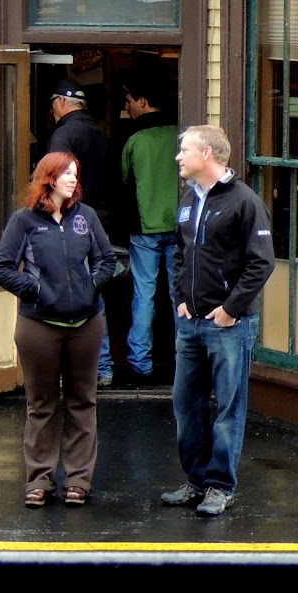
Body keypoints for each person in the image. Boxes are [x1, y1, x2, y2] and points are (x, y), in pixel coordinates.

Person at [0, 152, 116, 508]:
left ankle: (78, 481)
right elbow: (2, 267)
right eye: (66, 174)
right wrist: (36, 290)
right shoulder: (25, 221)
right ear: (48, 178)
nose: (73, 179)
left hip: (85, 325)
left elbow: (108, 261)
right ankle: (39, 480)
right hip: (38, 326)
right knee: (42, 404)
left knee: (82, 401)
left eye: (76, 174)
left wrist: (90, 288)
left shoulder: (86, 217)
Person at [162, 124, 274, 518]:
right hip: (190, 324)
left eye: (185, 150)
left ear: (207, 154)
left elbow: (263, 262)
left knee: (228, 408)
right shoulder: (189, 200)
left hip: (228, 326)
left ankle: (220, 487)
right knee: (185, 405)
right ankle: (196, 481)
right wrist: (179, 299)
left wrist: (231, 308)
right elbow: (180, 251)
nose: (179, 157)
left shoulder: (245, 202)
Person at [46, 79, 115, 385]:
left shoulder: (63, 134)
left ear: (61, 103)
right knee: (93, 290)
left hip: (72, 222)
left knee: (70, 293)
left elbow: (55, 180)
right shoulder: (101, 133)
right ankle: (103, 368)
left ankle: (87, 369)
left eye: (52, 105)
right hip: (102, 219)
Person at [119, 76, 178, 382]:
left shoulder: (134, 140)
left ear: (142, 102)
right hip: (178, 224)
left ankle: (140, 363)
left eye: (129, 102)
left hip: (145, 226)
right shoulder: (180, 135)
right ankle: (185, 359)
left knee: (144, 293)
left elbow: (125, 181)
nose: (126, 108)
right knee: (177, 294)